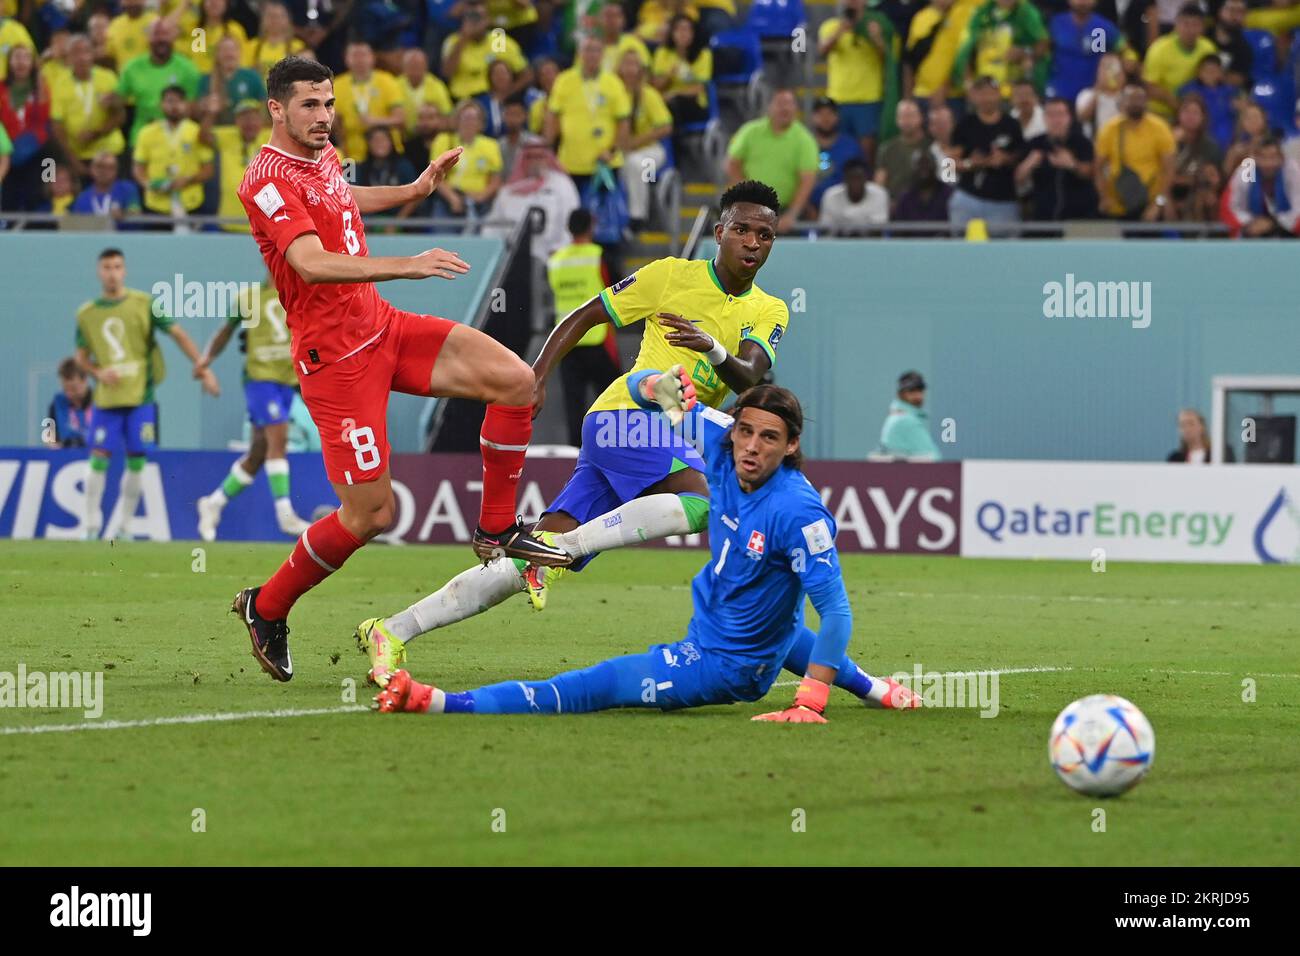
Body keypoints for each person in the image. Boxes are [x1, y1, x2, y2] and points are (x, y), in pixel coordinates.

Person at [352, 181, 790, 686]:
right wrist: (536, 376)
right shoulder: (671, 275)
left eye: (764, 235)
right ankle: (562, 552)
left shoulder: (770, 309)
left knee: (529, 558)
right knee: (701, 504)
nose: (752, 242)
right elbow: (586, 315)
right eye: (741, 230)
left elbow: (748, 374)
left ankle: (392, 629)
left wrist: (712, 346)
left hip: (657, 434)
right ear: (719, 232)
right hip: (626, 415)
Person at [231, 56, 570, 683]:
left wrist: (412, 192)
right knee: (371, 515)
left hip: (382, 326)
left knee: (518, 382)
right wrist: (407, 263)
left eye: (329, 103)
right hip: (334, 361)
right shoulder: (266, 180)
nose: (324, 117)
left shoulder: (321, 154)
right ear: (275, 108)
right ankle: (267, 605)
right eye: (309, 105)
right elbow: (310, 261)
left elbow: (341, 198)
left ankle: (496, 529)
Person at [374, 385, 921, 719]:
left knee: (602, 685)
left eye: (769, 439)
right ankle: (876, 690)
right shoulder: (723, 451)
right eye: (746, 433)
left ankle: (439, 701)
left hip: (728, 665)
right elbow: (651, 395)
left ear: (792, 445)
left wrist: (809, 703)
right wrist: (656, 381)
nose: (752, 447)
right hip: (748, 630)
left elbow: (837, 612)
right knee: (773, 626)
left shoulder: (799, 514)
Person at [75, 248, 218, 540]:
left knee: (137, 460)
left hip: (142, 398)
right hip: (107, 399)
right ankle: (90, 527)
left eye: (117, 266)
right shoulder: (86, 314)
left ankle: (124, 527)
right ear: (99, 272)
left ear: (124, 270)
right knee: (98, 458)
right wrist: (97, 372)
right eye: (106, 267)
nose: (112, 273)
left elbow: (177, 332)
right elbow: (80, 356)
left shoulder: (145, 304)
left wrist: (202, 367)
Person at [195, 277, 312, 540]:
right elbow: (225, 331)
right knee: (277, 440)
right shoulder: (248, 298)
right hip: (260, 380)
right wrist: (205, 361)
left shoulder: (300, 294)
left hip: (288, 381)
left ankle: (213, 503)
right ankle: (285, 515)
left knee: (258, 453)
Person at [547, 208, 621, 447]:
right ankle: (614, 450)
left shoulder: (555, 260)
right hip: (598, 339)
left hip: (566, 344)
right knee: (613, 401)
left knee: (573, 406)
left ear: (569, 229)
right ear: (591, 226)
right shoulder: (599, 256)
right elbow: (619, 289)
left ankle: (575, 458)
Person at [545, 33, 630, 194]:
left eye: (597, 50)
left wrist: (612, 150)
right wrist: (550, 149)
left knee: (605, 214)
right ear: (580, 53)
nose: (592, 55)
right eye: (588, 50)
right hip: (571, 161)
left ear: (603, 54)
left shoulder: (614, 82)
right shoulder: (564, 80)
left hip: (605, 161)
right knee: (573, 214)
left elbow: (623, 121)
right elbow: (552, 116)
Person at [726, 89, 819, 232]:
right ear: (769, 107)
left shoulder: (805, 140)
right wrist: (744, 198)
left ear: (796, 109)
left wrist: (791, 215)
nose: (785, 108)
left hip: (784, 210)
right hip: (749, 206)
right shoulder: (750, 131)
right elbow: (732, 164)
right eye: (780, 103)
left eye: (790, 104)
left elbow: (807, 180)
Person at [48, 34, 126, 183]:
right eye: (76, 52)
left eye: (86, 51)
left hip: (110, 151)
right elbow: (57, 127)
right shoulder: (60, 83)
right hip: (79, 156)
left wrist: (97, 132)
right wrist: (73, 162)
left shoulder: (107, 77)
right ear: (68, 58)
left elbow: (120, 116)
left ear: (93, 55)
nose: (82, 57)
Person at [948, 75, 1024, 228]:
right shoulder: (965, 124)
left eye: (991, 93)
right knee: (962, 249)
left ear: (999, 94)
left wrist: (1005, 159)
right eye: (982, 93)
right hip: (969, 197)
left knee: (1005, 250)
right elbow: (948, 167)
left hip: (1003, 200)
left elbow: (1020, 158)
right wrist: (973, 163)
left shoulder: (1012, 125)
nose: (987, 98)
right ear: (974, 96)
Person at [111, 18, 200, 148]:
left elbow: (192, 108)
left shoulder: (188, 69)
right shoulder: (132, 68)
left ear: (173, 37)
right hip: (142, 139)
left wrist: (164, 122)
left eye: (165, 34)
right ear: (147, 38)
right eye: (156, 34)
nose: (161, 39)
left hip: (179, 139)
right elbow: (118, 99)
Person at [132, 84, 214, 224]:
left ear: (186, 104)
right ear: (161, 104)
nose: (174, 106)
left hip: (190, 202)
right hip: (156, 204)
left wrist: (188, 180)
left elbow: (208, 169)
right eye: (169, 101)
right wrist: (149, 184)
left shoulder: (197, 132)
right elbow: (138, 167)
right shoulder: (146, 133)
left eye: (179, 101)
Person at [1094, 83, 1175, 221]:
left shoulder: (1160, 128)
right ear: (1122, 101)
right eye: (1131, 98)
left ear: (1146, 102)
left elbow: (1169, 171)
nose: (1136, 102)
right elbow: (1098, 168)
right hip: (1118, 205)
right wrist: (1104, 197)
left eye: (1140, 98)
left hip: (1150, 206)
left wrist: (1158, 203)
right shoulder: (1110, 129)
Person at [1015, 96, 1098, 220]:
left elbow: (1091, 172)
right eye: (1050, 115)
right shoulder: (1034, 143)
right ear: (1044, 118)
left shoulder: (1083, 142)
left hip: (1079, 215)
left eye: (1060, 114)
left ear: (1069, 118)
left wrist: (1073, 165)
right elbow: (1018, 179)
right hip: (1043, 215)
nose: (1056, 120)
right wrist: (1028, 164)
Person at [618, 50, 672, 231]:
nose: (630, 69)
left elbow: (665, 127)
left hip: (650, 152)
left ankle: (637, 218)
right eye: (627, 63)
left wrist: (636, 143)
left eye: (634, 64)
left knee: (636, 165)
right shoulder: (614, 94)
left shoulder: (649, 95)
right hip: (620, 150)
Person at [200, 96, 271, 232]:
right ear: (236, 121)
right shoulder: (228, 136)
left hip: (264, 224)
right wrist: (211, 113)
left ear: (262, 121)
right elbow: (203, 136)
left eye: (253, 117)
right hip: (229, 220)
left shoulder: (271, 137)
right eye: (244, 118)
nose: (249, 123)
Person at [430, 99, 503, 228]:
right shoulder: (443, 140)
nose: (469, 122)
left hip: (480, 202)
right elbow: (434, 175)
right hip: (448, 199)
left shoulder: (491, 145)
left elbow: (495, 181)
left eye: (473, 118)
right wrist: (452, 198)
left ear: (481, 123)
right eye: (465, 118)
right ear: (457, 121)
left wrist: (481, 196)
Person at [956, 0, 1049, 98]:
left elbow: (1043, 42)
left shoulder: (1027, 12)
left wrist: (1025, 53)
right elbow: (967, 51)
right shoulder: (981, 12)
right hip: (985, 90)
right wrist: (968, 84)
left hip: (1014, 91)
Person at [333, 40, 405, 164]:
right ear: (346, 59)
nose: (359, 60)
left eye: (363, 55)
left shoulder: (387, 81)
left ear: (373, 57)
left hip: (387, 155)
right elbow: (336, 125)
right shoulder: (337, 85)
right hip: (352, 157)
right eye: (355, 55)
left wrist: (374, 121)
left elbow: (400, 119)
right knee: (350, 181)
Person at [1142, 3, 1215, 122]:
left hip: (1196, 112)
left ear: (1202, 27)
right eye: (1185, 24)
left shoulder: (1208, 48)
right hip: (1162, 112)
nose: (1190, 30)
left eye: (1195, 25)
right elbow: (1149, 86)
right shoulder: (1159, 49)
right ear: (1176, 25)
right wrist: (1173, 102)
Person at [1046, 0, 1125, 106]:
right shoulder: (1056, 23)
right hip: (1059, 93)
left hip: (1092, 96)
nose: (1082, 2)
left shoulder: (1104, 27)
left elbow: (1124, 50)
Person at [1222, 135, 1300, 237]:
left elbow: (1298, 208)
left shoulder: (1292, 170)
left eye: (1273, 157)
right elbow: (1230, 207)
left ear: (1281, 158)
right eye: (1263, 157)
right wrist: (1251, 222)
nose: (1268, 163)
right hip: (1252, 229)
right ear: (1255, 158)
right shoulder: (1246, 170)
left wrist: (1274, 222)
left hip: (1287, 230)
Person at [807, 96, 865, 213]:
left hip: (844, 212)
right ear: (813, 117)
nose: (825, 118)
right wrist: (807, 208)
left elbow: (861, 181)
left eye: (830, 113)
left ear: (837, 117)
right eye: (820, 114)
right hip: (807, 211)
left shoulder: (851, 146)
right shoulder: (804, 145)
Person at [875, 98, 931, 204]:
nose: (906, 121)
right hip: (895, 205)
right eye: (902, 116)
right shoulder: (886, 148)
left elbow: (949, 180)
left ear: (921, 117)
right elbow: (879, 184)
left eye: (910, 116)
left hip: (927, 205)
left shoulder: (934, 146)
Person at [1178, 54, 1235, 153]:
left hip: (1225, 142)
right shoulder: (1189, 90)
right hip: (1198, 141)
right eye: (1207, 71)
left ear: (1220, 73)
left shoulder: (1230, 92)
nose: (1210, 74)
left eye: (1214, 71)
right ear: (1199, 72)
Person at [876, 370, 940, 459]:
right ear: (900, 394)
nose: (917, 395)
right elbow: (934, 458)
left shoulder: (897, 417)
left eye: (920, 390)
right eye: (911, 391)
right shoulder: (906, 421)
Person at [71, 149, 143, 223]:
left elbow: (136, 215)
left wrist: (124, 214)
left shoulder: (128, 189)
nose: (104, 171)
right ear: (92, 169)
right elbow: (76, 227)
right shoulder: (82, 198)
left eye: (110, 168)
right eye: (99, 166)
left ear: (116, 171)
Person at [819, 156, 889, 232]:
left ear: (866, 179)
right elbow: (825, 229)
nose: (855, 183)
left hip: (870, 242)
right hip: (839, 241)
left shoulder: (879, 194)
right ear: (845, 179)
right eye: (851, 178)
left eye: (859, 178)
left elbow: (878, 230)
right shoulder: (830, 195)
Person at [46, 357, 94, 449]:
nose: (69, 394)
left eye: (73, 389)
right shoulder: (55, 404)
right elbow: (49, 438)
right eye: (65, 389)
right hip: (66, 457)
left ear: (85, 381)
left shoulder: (101, 404)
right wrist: (53, 445)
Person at [1167, 408, 1233, 462]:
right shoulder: (1175, 458)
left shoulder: (1220, 453)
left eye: (1191, 423)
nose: (1187, 429)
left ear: (1202, 426)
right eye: (1182, 425)